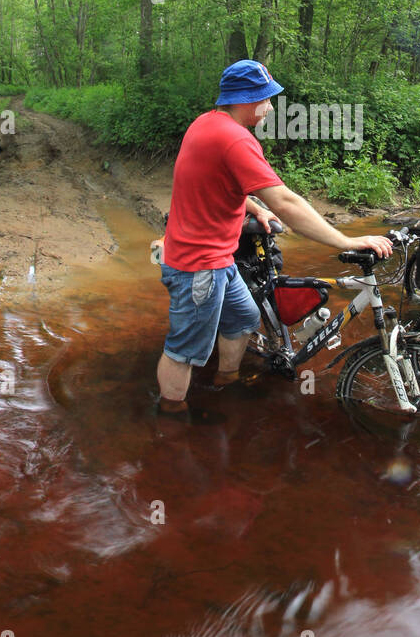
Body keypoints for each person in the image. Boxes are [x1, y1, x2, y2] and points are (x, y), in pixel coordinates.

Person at [148, 60, 394, 423]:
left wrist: (254, 207)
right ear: (248, 100)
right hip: (199, 266)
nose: (271, 107)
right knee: (184, 350)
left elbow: (214, 179)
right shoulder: (235, 139)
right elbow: (288, 203)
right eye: (267, 99)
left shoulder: (207, 123)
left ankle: (226, 383)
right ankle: (171, 418)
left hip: (215, 257)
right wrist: (346, 240)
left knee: (244, 318)